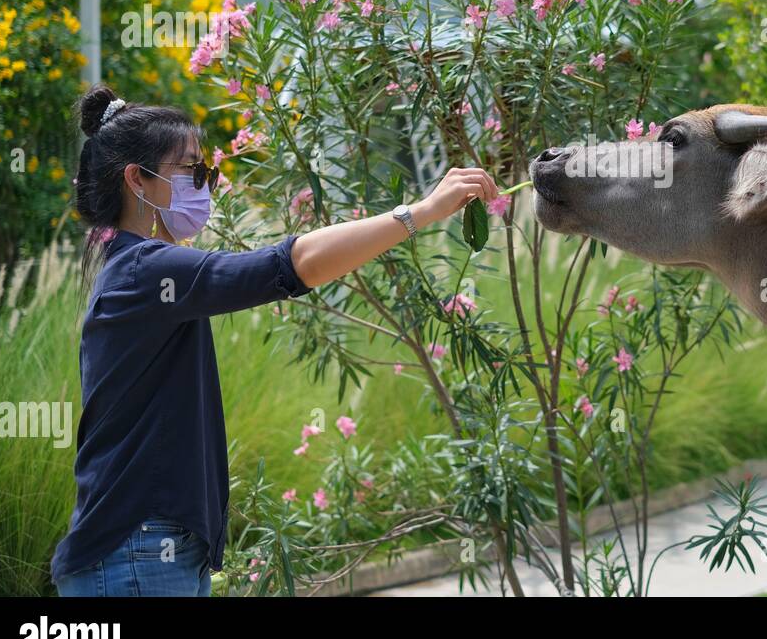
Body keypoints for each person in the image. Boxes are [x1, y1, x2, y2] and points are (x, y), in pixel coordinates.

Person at [50, 84, 497, 596]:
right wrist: (420, 211)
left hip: (153, 553)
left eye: (208, 173)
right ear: (139, 180)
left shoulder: (139, 271)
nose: (207, 185)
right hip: (136, 556)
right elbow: (290, 265)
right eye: (193, 171)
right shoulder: (145, 271)